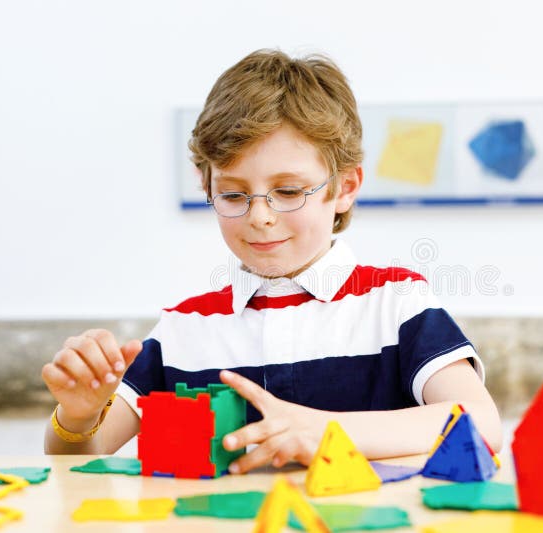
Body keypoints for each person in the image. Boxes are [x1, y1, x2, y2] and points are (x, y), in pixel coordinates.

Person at [42, 49, 502, 473]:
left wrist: (323, 431)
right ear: (208, 189)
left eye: (287, 191)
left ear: (344, 188)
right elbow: (77, 462)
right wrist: (78, 416)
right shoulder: (184, 329)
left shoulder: (396, 303)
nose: (259, 216)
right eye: (233, 194)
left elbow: (480, 423)